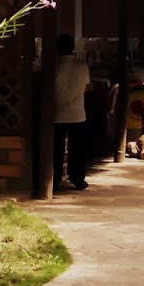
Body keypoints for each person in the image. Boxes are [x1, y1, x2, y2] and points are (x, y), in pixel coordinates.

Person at [53, 33, 91, 191]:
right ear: (73, 48)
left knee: (56, 149)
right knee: (77, 149)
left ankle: (53, 179)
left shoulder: (53, 66)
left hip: (57, 113)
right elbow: (87, 85)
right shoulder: (82, 66)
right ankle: (77, 179)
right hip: (77, 113)